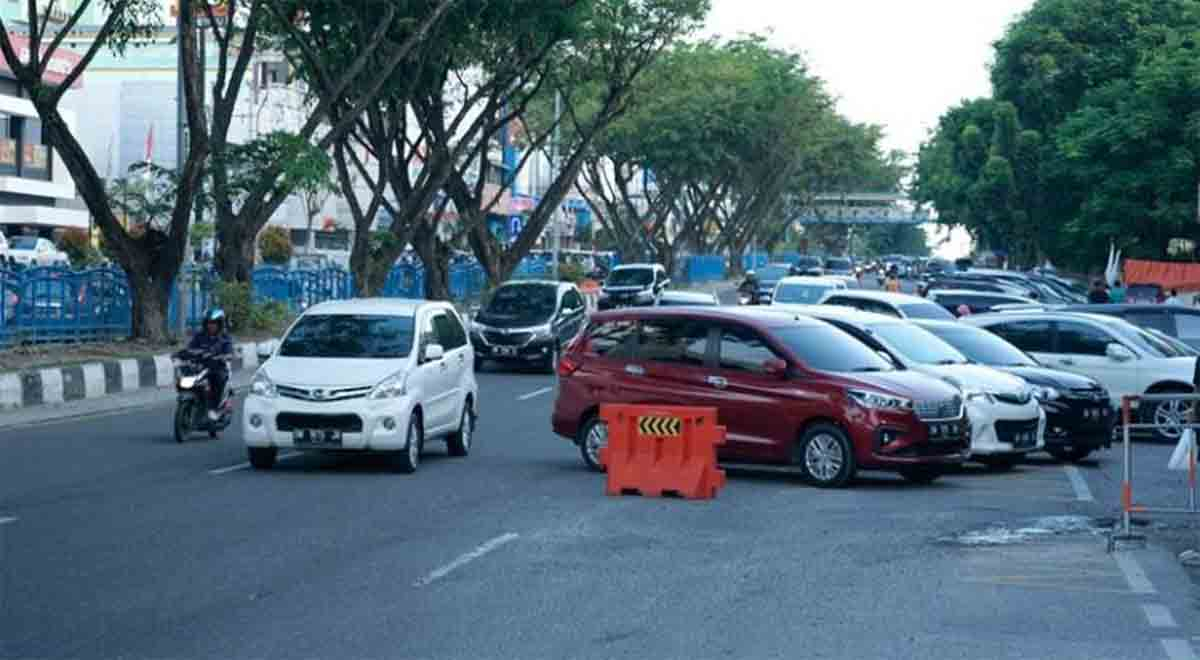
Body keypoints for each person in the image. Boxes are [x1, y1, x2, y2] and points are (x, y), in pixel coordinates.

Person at [184, 309, 233, 421]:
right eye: (209, 323)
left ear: (220, 324)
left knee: (218, 379)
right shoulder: (199, 336)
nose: (211, 326)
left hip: (217, 368)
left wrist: (223, 356)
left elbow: (229, 353)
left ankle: (215, 408)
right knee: (186, 377)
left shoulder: (225, 338)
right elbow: (190, 348)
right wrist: (183, 354)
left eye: (214, 323)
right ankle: (193, 400)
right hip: (201, 368)